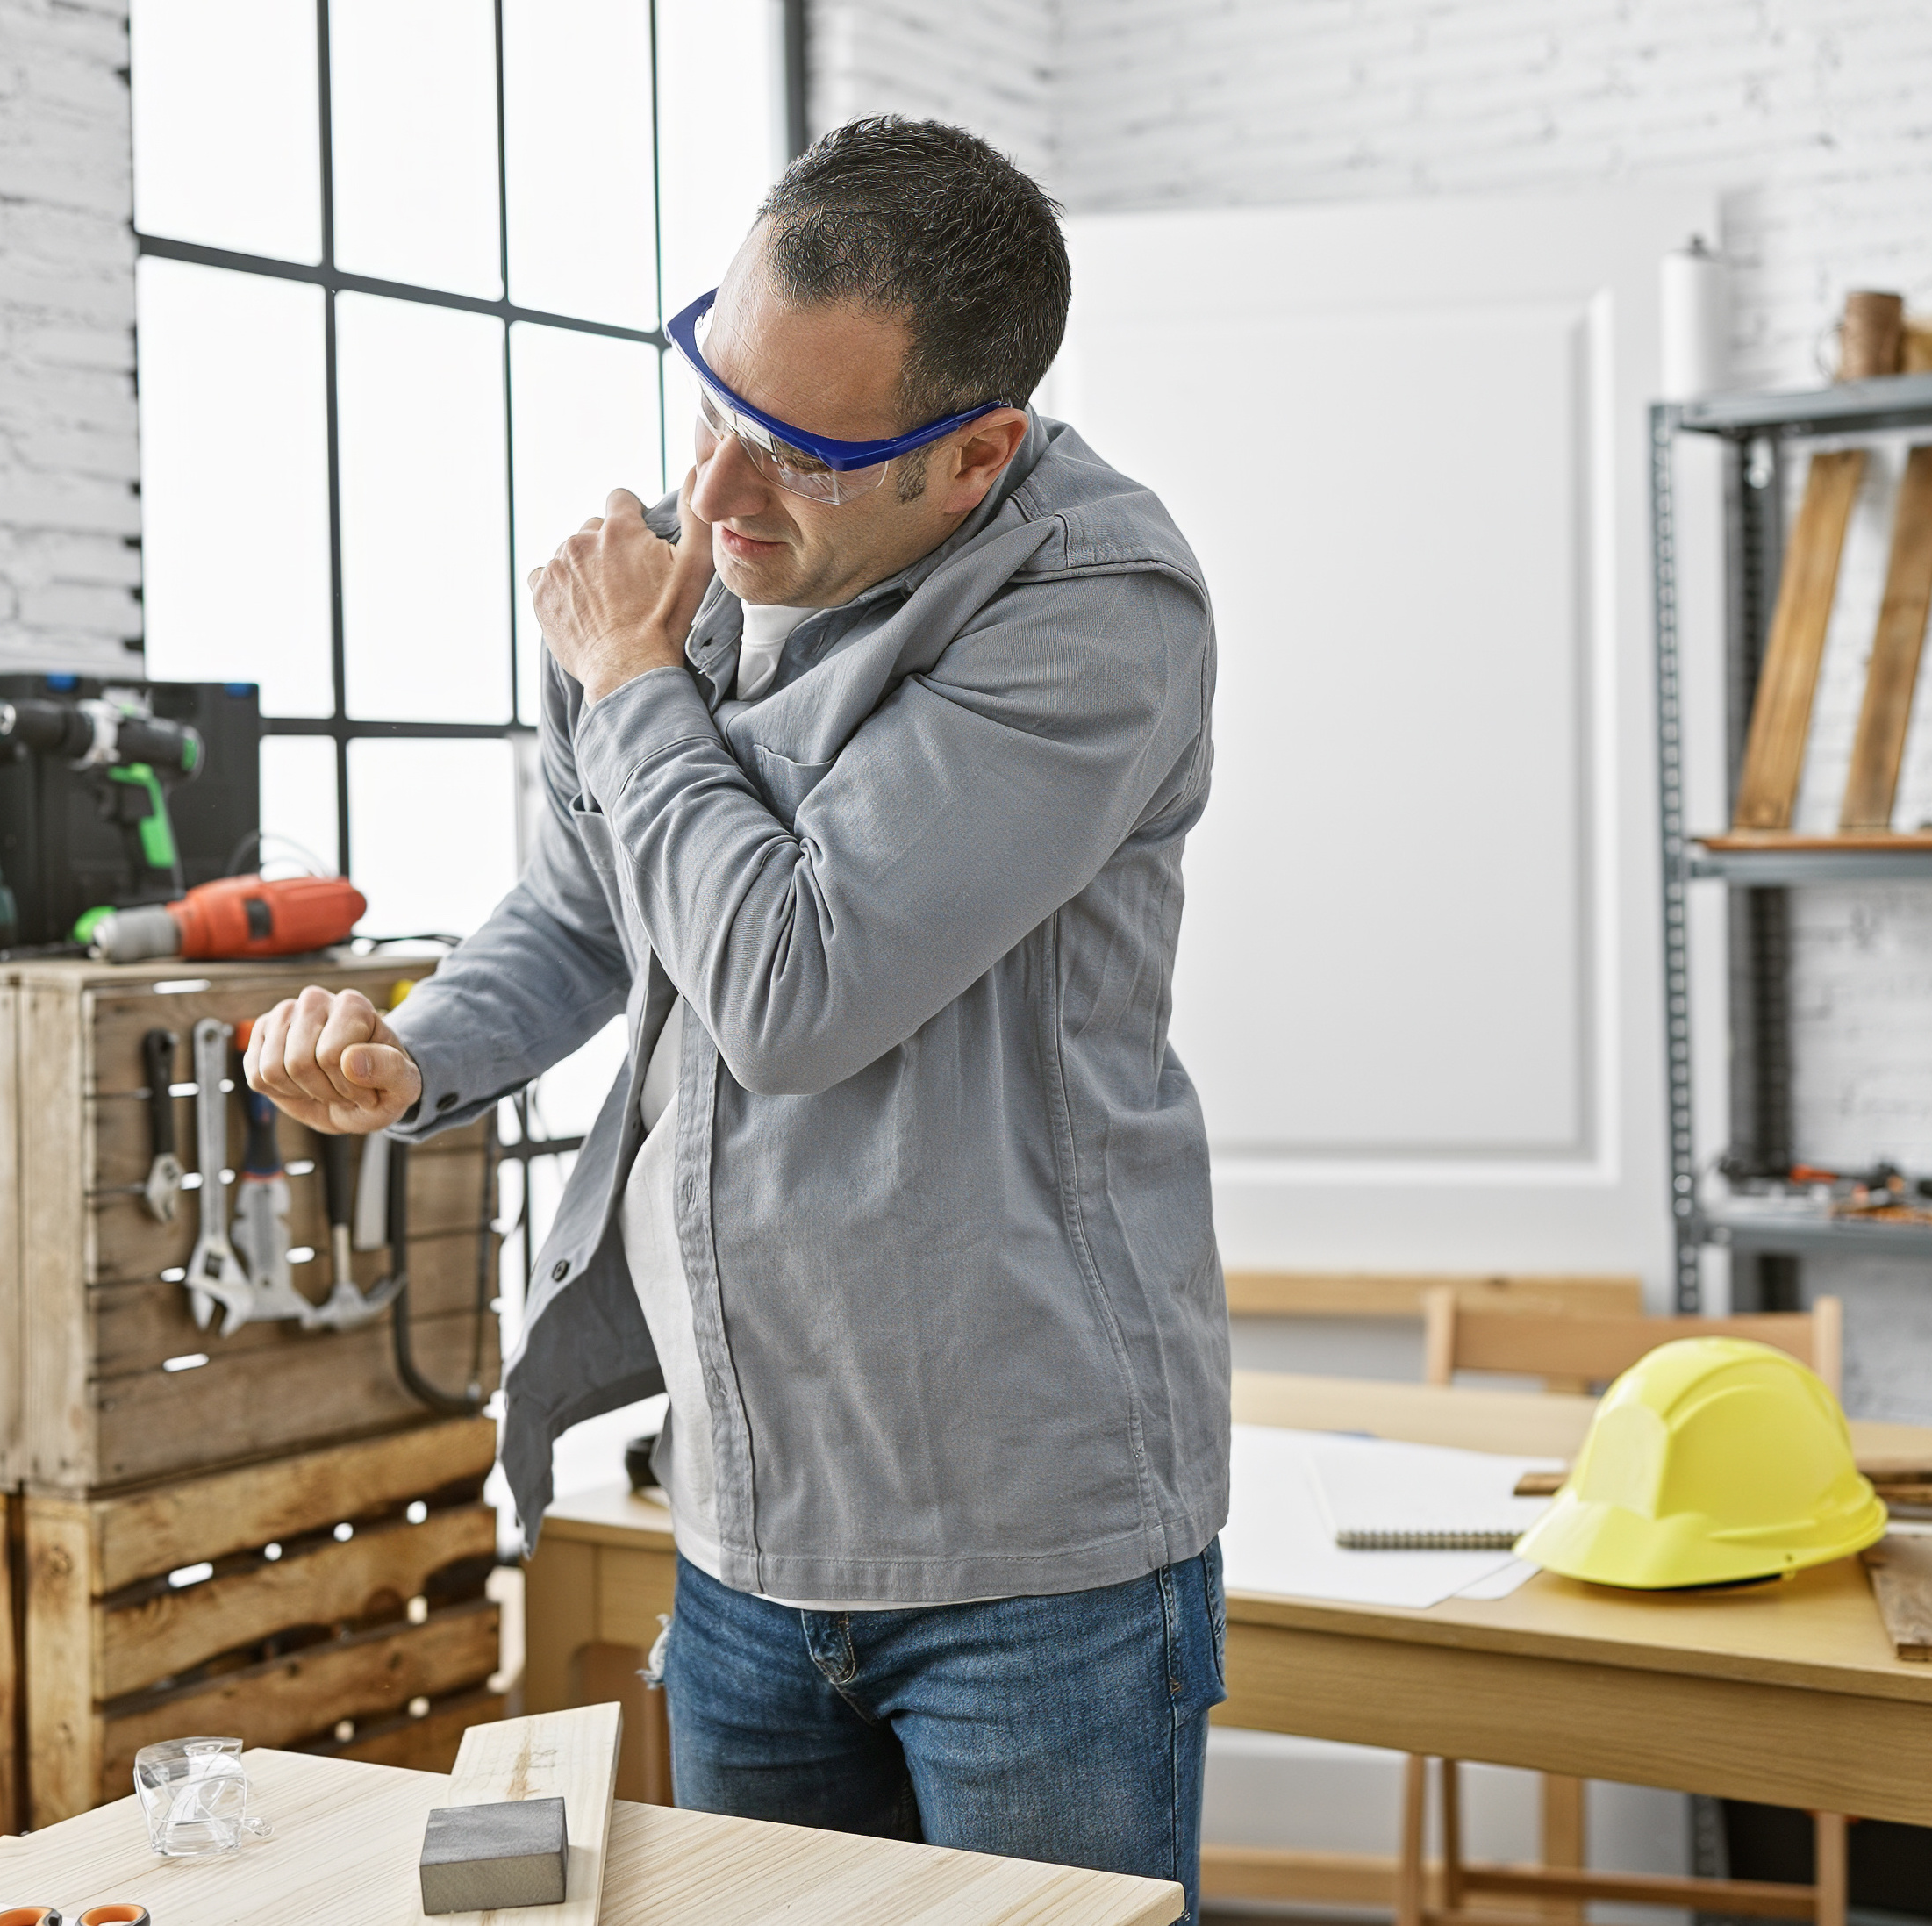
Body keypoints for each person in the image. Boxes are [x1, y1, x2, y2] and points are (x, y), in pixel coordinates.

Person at [245, 116, 1228, 1913]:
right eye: (712, 409)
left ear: (975, 453)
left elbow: (787, 990)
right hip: (747, 1517)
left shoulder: (1096, 608)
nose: (716, 501)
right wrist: (413, 1053)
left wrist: (627, 680)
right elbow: (582, 915)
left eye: (801, 456)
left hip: (1026, 1552)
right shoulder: (697, 575)